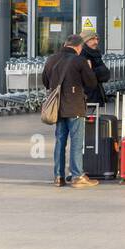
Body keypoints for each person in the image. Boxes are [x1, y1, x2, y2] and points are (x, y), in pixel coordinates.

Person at [41, 33, 100, 188]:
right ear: (79, 47)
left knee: (60, 141)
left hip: (57, 107)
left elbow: (45, 81)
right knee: (76, 142)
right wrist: (89, 68)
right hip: (75, 107)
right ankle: (77, 176)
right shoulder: (80, 61)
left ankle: (58, 176)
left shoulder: (51, 59)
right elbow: (91, 83)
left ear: (66, 44)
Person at [80, 30, 110, 101]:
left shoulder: (96, 54)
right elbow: (85, 75)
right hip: (86, 94)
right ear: (85, 41)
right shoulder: (81, 54)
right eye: (92, 39)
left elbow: (105, 74)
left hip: (95, 91)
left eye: (97, 39)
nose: (96, 42)